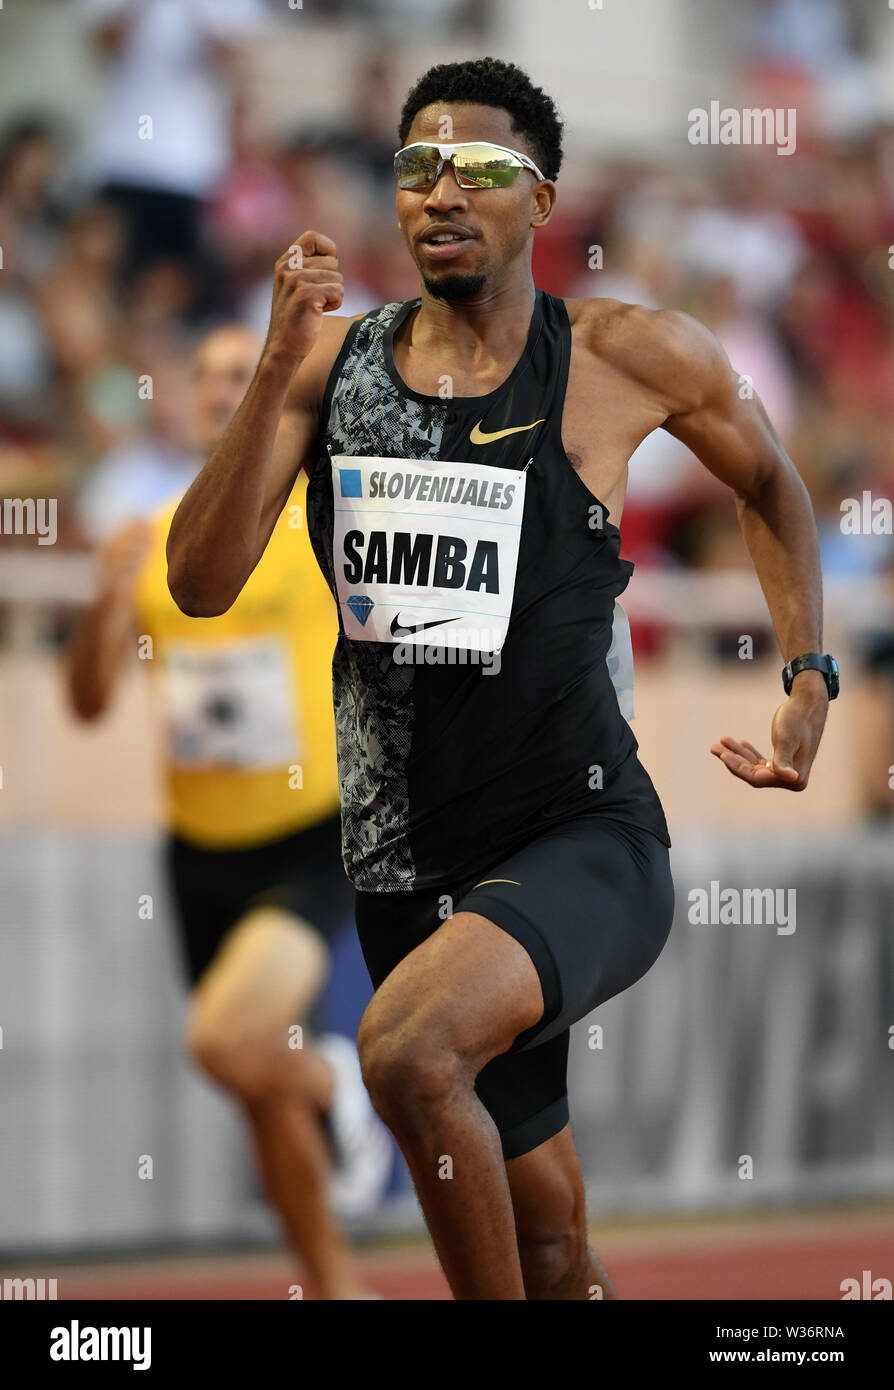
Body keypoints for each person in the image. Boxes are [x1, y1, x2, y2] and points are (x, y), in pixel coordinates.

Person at [165, 58, 836, 1300]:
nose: (441, 193)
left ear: (543, 200)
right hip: (405, 863)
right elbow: (199, 583)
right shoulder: (330, 369)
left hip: (582, 835)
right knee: (552, 1236)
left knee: (409, 1052)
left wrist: (807, 669)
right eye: (418, 167)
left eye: (480, 169)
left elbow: (773, 484)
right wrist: (269, 369)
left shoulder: (626, 355)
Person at [68, 324, 390, 1301]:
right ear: (181, 400)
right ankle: (335, 1284)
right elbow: (86, 704)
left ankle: (346, 1091)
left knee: (224, 1042)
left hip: (311, 838)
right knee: (254, 1085)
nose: (220, 390)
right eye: (204, 376)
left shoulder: (322, 516)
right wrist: (107, 597)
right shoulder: (155, 535)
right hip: (198, 851)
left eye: (241, 373)